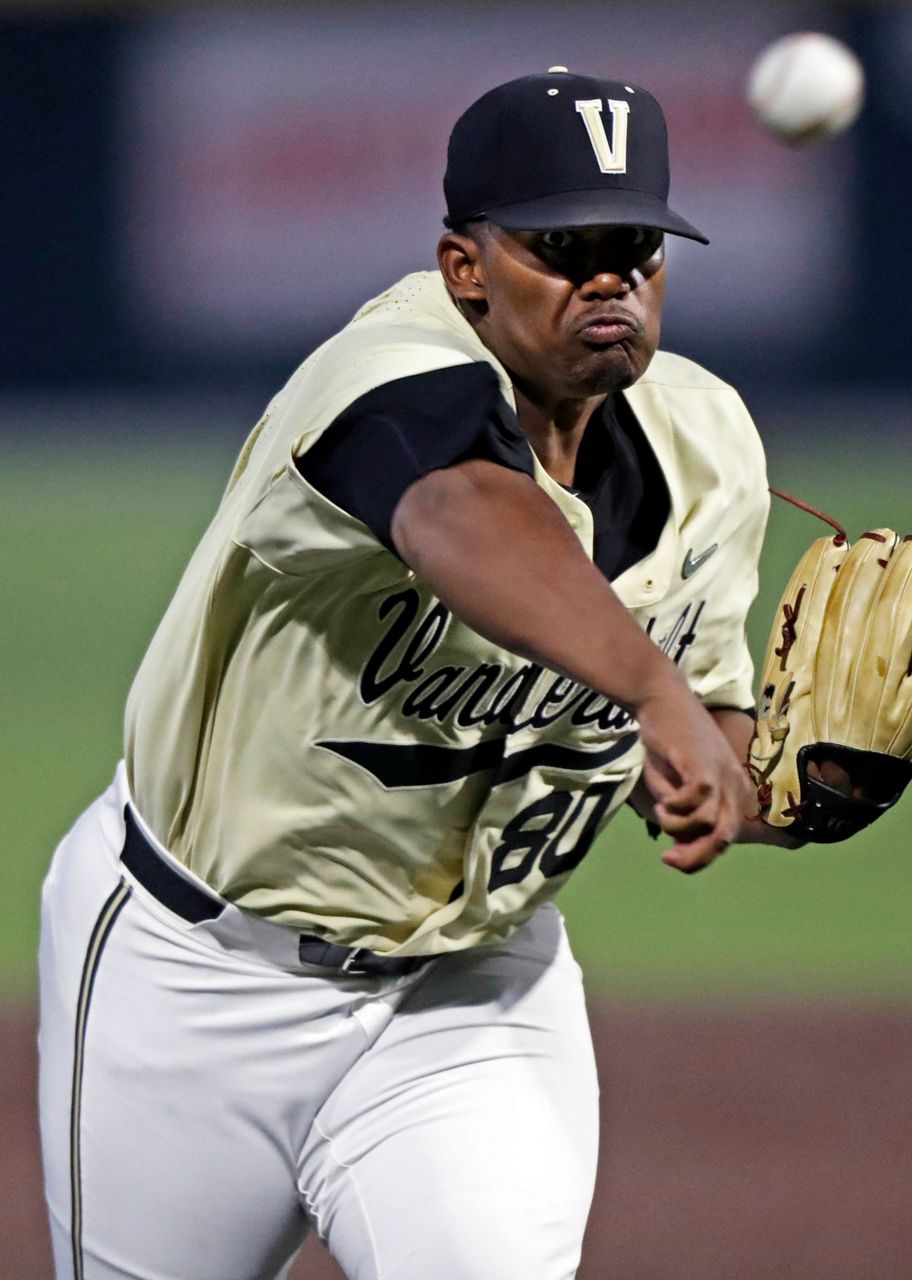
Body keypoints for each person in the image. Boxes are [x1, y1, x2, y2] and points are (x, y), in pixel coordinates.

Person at [38, 68, 790, 1280]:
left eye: (637, 247)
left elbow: (699, 753)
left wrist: (788, 786)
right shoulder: (383, 374)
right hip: (193, 973)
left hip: (470, 990)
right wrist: (654, 688)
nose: (610, 278)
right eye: (565, 246)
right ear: (464, 268)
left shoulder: (710, 442)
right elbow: (463, 513)